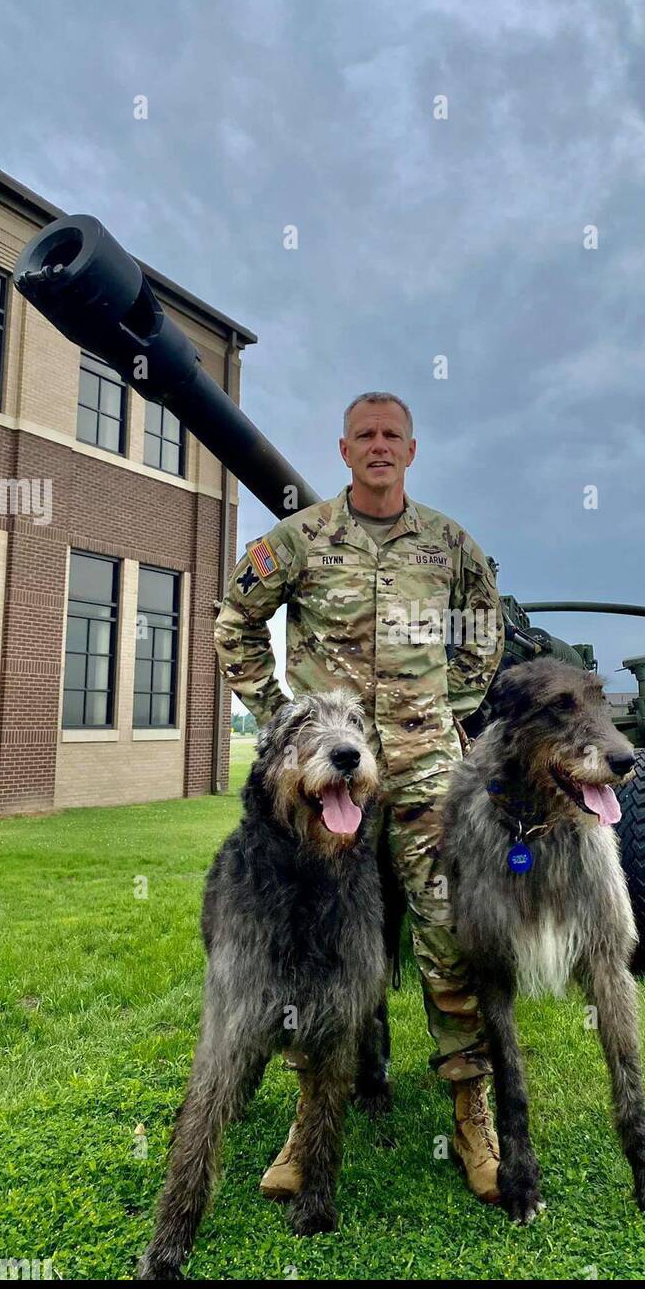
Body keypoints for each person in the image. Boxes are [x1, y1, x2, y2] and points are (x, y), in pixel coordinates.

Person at [213, 391, 505, 1202]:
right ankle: (312, 1120)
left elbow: (486, 628)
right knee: (323, 945)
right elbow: (234, 619)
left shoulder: (449, 545)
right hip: (326, 782)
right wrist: (282, 720)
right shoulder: (301, 541)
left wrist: (449, 709)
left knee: (451, 933)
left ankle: (470, 1113)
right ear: (344, 451)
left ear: (412, 451)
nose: (379, 447)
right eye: (365, 436)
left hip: (420, 778)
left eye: (392, 436)